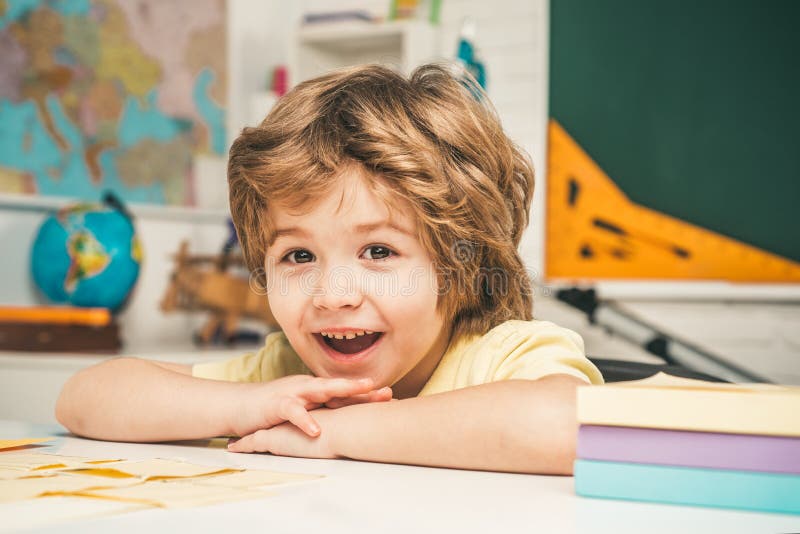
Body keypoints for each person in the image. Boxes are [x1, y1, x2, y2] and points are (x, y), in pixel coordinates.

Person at [57, 64, 603, 475]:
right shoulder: (287, 375)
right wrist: (243, 405)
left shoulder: (504, 357)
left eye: (379, 252)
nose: (333, 295)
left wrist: (341, 432)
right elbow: (83, 399)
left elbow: (571, 427)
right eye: (298, 256)